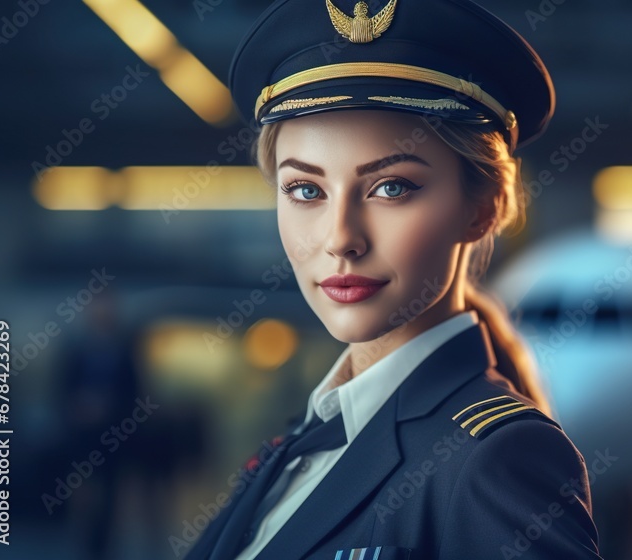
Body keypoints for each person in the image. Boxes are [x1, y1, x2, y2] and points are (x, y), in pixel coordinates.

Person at [184, 0, 602, 558]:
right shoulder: (304, 439)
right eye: (306, 190)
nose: (340, 238)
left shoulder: (497, 461)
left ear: (484, 207)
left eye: (392, 187)